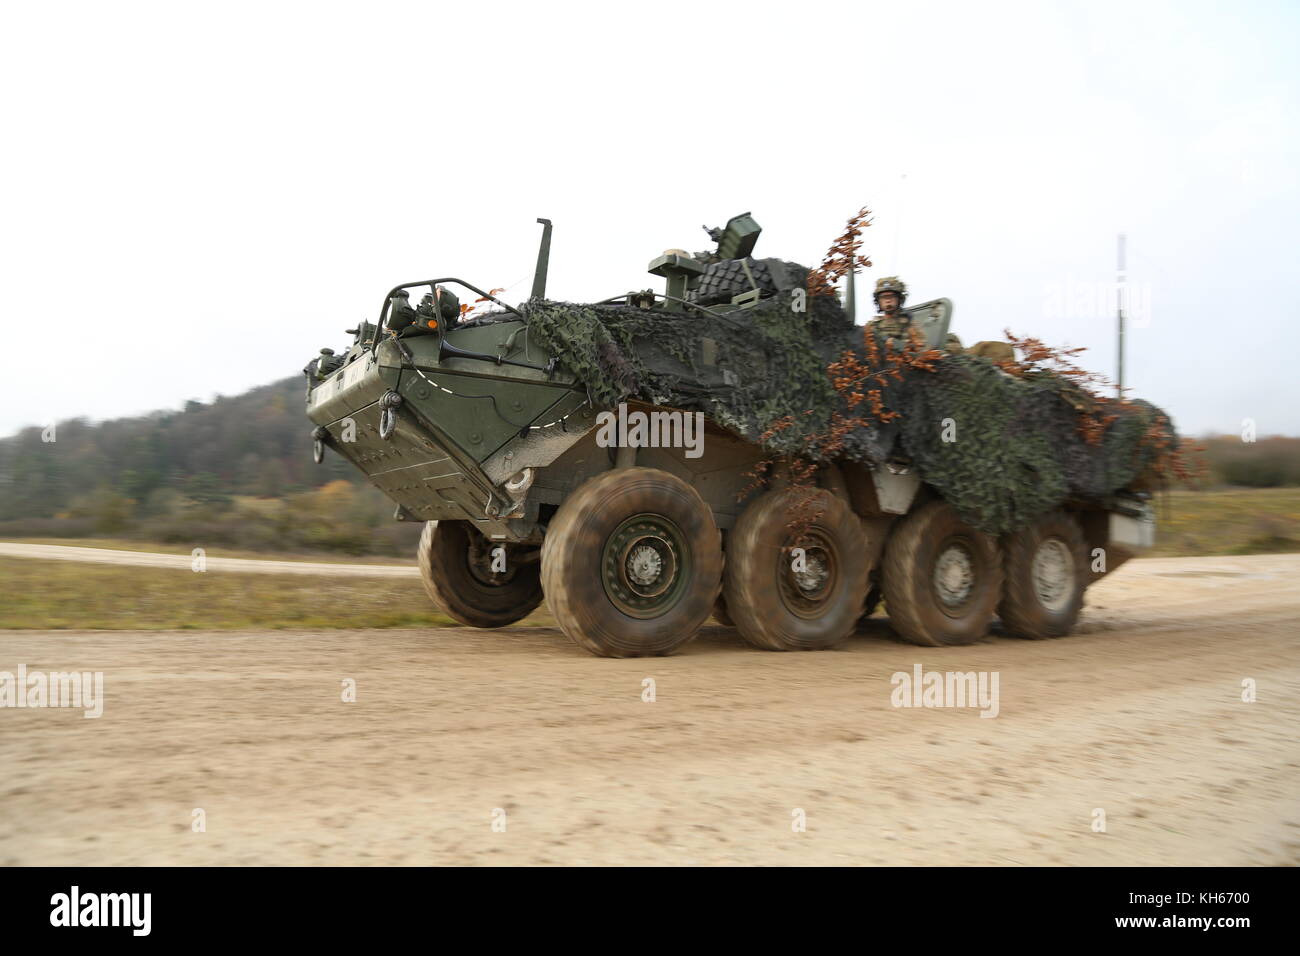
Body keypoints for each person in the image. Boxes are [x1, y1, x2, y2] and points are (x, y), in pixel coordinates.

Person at [867, 277, 964, 352]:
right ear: (878, 301)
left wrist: (900, 346)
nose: (888, 300)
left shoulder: (908, 324)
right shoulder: (872, 326)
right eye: (884, 297)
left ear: (899, 299)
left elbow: (923, 350)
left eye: (892, 296)